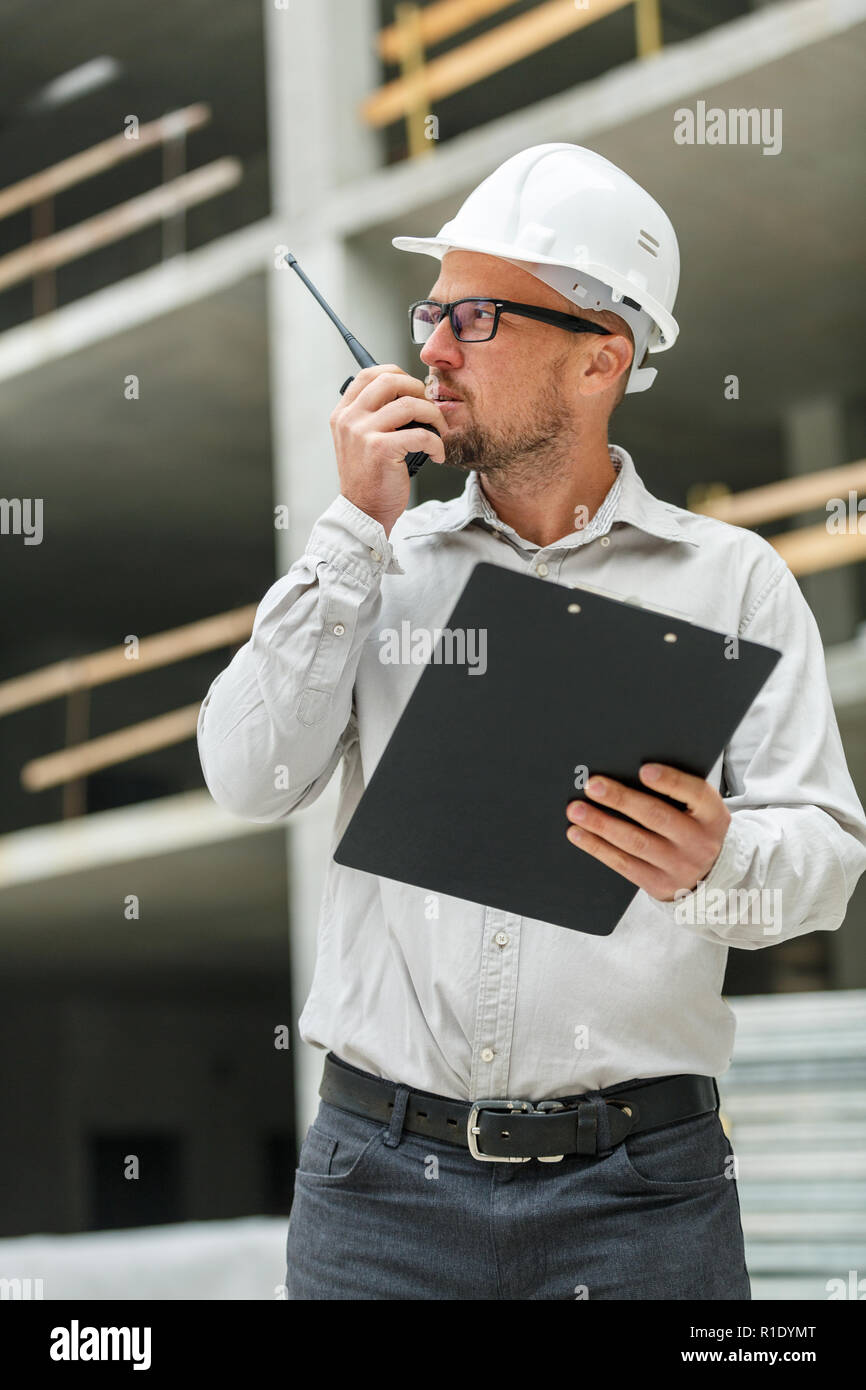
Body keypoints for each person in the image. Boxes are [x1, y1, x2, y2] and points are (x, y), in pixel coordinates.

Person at [196, 144, 866, 1300]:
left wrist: (716, 859)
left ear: (600, 356)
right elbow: (246, 777)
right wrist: (352, 529)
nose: (433, 349)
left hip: (640, 1201)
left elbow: (819, 873)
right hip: (379, 1194)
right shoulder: (376, 562)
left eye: (477, 316)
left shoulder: (732, 582)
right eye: (430, 312)